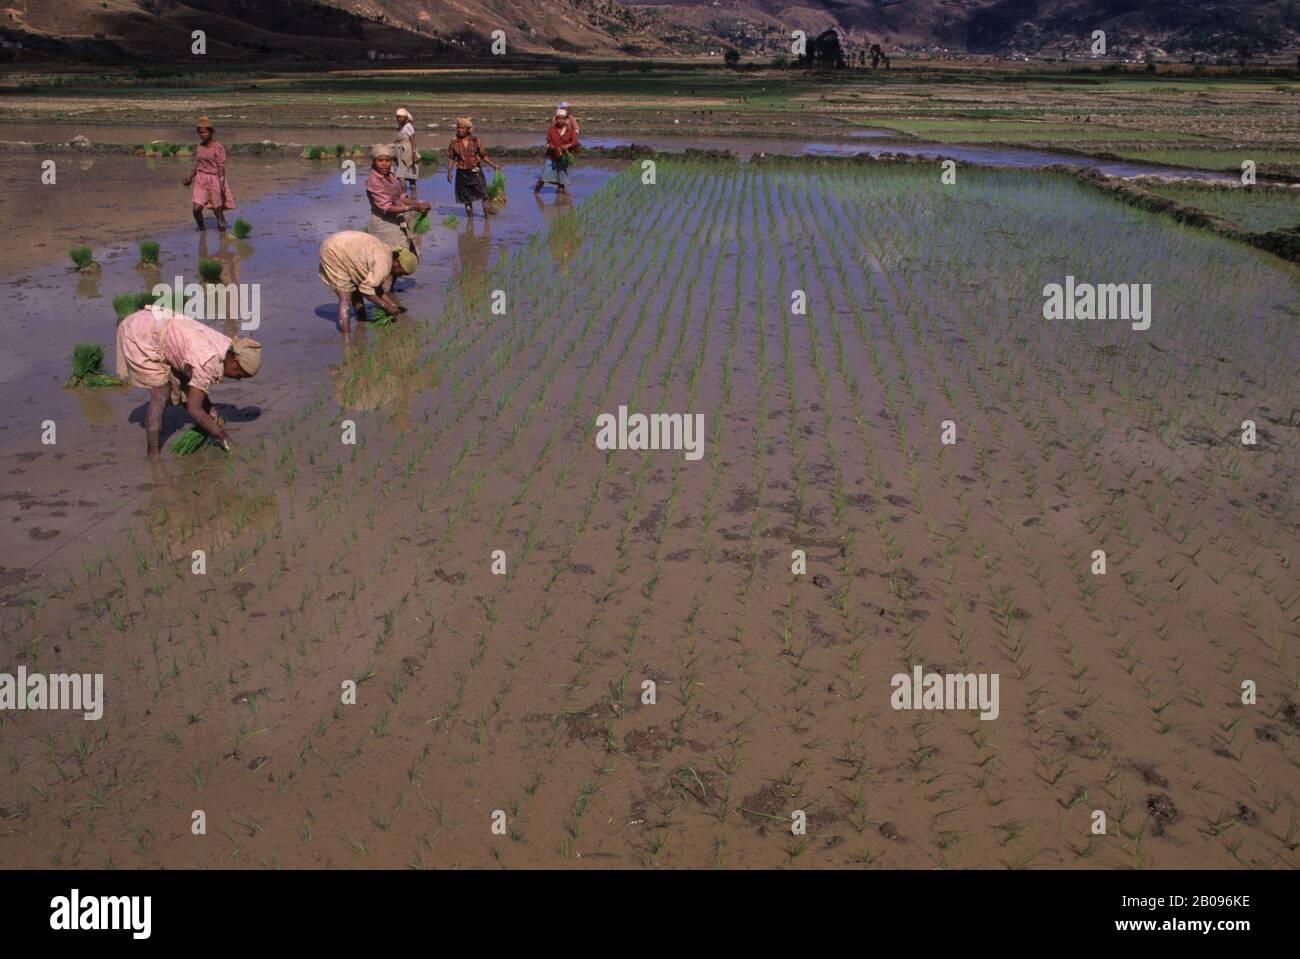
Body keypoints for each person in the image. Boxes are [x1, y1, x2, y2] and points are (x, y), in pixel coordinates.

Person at [115, 302, 260, 456]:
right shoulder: (209, 361)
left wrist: (209, 410)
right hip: (140, 333)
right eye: (239, 375)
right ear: (234, 362)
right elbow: (193, 409)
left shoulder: (225, 346)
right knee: (161, 394)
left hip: (155, 324)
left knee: (180, 382)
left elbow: (191, 382)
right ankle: (153, 454)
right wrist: (223, 437)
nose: (237, 380)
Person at [318, 230, 418, 337]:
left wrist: (392, 305)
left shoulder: (387, 253)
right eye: (402, 273)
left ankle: (362, 318)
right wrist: (386, 306)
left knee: (356, 286)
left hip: (341, 245)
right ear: (397, 263)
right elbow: (367, 292)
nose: (400, 276)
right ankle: (346, 338)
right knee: (345, 298)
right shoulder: (384, 265)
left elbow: (375, 288)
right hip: (334, 251)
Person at [365, 143, 429, 254]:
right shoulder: (373, 180)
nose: (384, 164)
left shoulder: (391, 175)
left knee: (404, 256)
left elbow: (400, 197)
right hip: (384, 225)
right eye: (380, 161)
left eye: (387, 160)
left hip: (397, 221)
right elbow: (387, 208)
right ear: (374, 162)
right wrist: (411, 207)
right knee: (390, 260)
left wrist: (419, 203)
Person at [183, 115, 235, 232]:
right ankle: (202, 232)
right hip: (201, 179)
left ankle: (222, 236)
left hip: (214, 179)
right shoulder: (200, 147)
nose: (202, 135)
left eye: (205, 132)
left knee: (217, 211)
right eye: (200, 133)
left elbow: (221, 167)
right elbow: (199, 164)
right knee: (196, 209)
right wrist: (190, 177)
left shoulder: (218, 148)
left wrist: (222, 185)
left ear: (211, 132)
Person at [446, 117, 501, 219]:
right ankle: (470, 221)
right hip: (462, 173)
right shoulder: (454, 143)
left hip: (475, 172)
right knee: (467, 199)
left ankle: (486, 219)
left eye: (462, 128)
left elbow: (483, 155)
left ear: (468, 129)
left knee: (484, 195)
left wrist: (494, 165)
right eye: (458, 128)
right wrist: (449, 171)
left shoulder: (475, 141)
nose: (459, 130)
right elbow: (451, 157)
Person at [534, 108, 579, 195]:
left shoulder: (570, 131)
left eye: (563, 118)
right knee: (543, 176)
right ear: (556, 119)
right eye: (559, 118)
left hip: (563, 157)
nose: (561, 120)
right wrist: (553, 147)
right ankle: (535, 194)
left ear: (566, 120)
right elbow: (548, 142)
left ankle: (561, 196)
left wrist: (567, 146)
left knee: (562, 177)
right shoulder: (551, 130)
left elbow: (574, 142)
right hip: (551, 156)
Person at [393, 107, 420, 198]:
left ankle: (408, 197)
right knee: (403, 176)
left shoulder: (408, 126)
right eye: (397, 117)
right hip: (401, 152)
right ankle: (406, 197)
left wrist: (414, 153)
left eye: (400, 117)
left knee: (407, 177)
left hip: (407, 152)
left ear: (405, 118)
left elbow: (413, 140)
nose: (398, 119)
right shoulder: (401, 126)